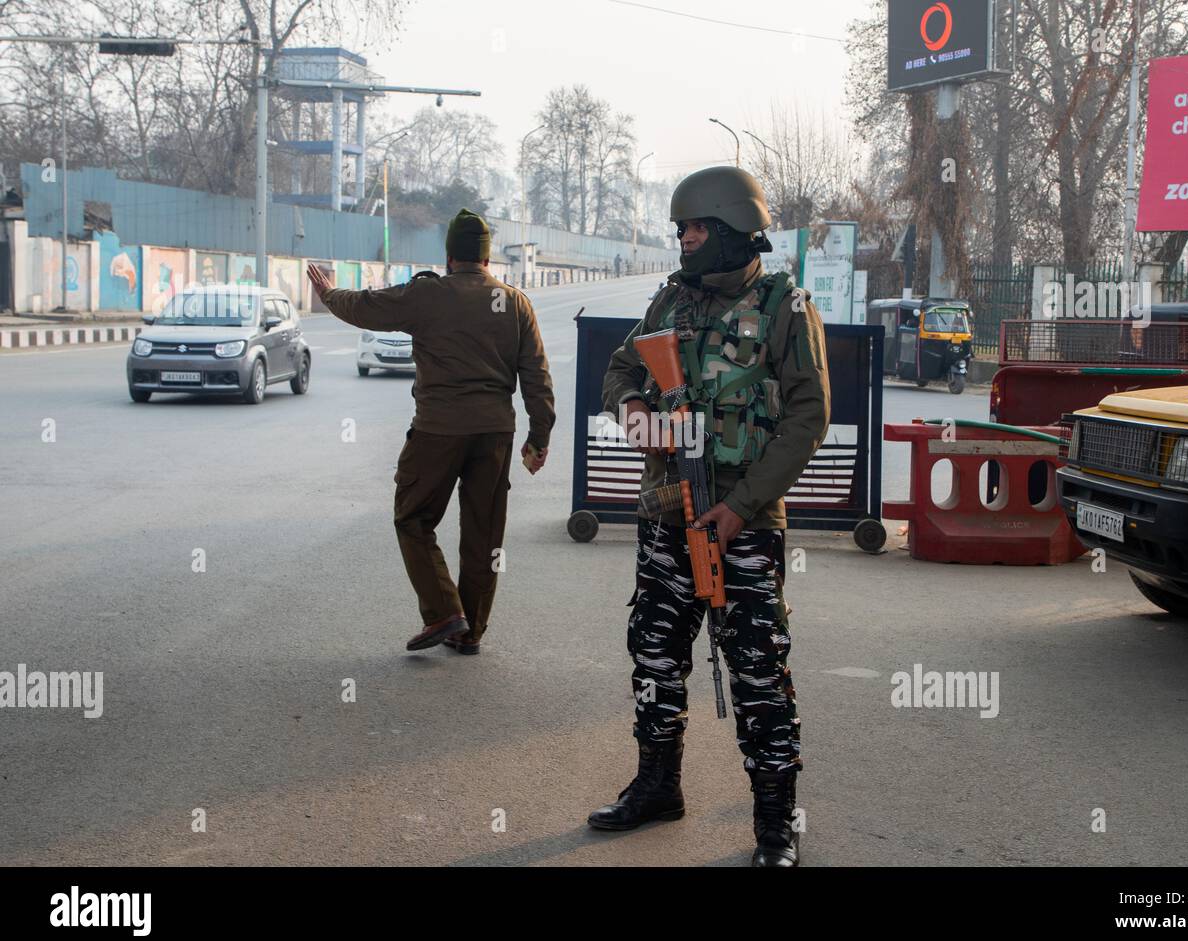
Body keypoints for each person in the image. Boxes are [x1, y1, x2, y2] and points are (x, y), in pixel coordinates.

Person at [588, 166, 831, 866]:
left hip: (744, 521)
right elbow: (620, 368)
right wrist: (632, 411)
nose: (686, 240)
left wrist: (743, 506)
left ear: (728, 229)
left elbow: (809, 416)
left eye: (696, 228)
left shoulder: (787, 306)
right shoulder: (671, 301)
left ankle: (774, 827)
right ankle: (658, 787)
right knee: (655, 653)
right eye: (682, 230)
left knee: (757, 668)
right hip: (667, 509)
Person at [306, 208, 555, 655]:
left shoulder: (428, 295)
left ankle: (444, 611)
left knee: (413, 518)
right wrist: (539, 439)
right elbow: (536, 376)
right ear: (487, 257)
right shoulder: (515, 302)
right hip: (495, 435)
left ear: (448, 254)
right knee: (484, 536)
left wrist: (329, 294)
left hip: (438, 430)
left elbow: (366, 307)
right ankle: (469, 632)